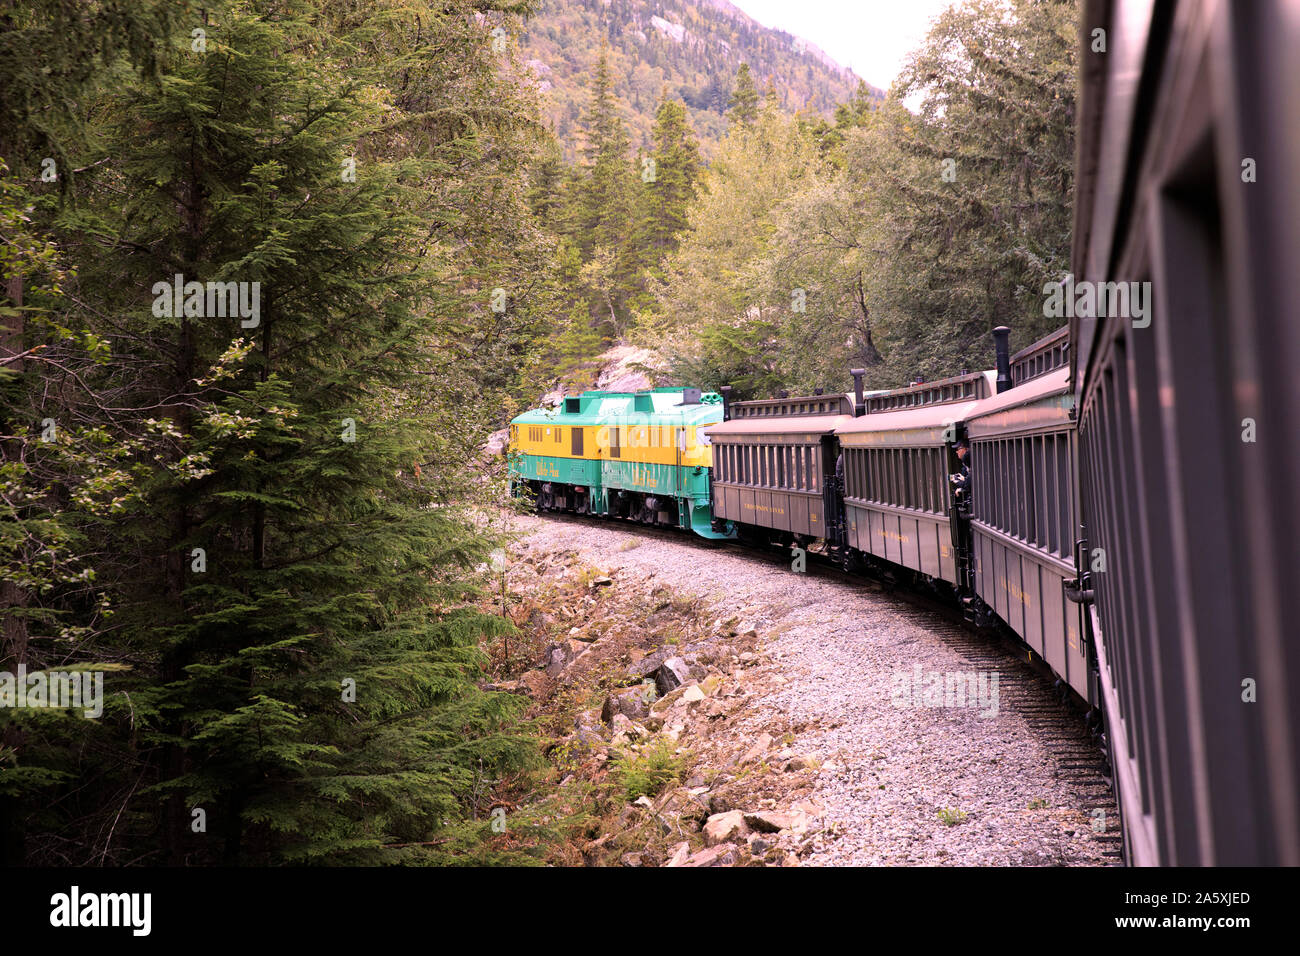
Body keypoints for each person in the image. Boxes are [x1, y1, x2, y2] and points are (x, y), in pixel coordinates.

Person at [950, 439, 971, 504]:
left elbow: (967, 484)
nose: (956, 452)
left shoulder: (969, 461)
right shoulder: (965, 464)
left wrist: (955, 480)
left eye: (958, 449)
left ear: (966, 449)